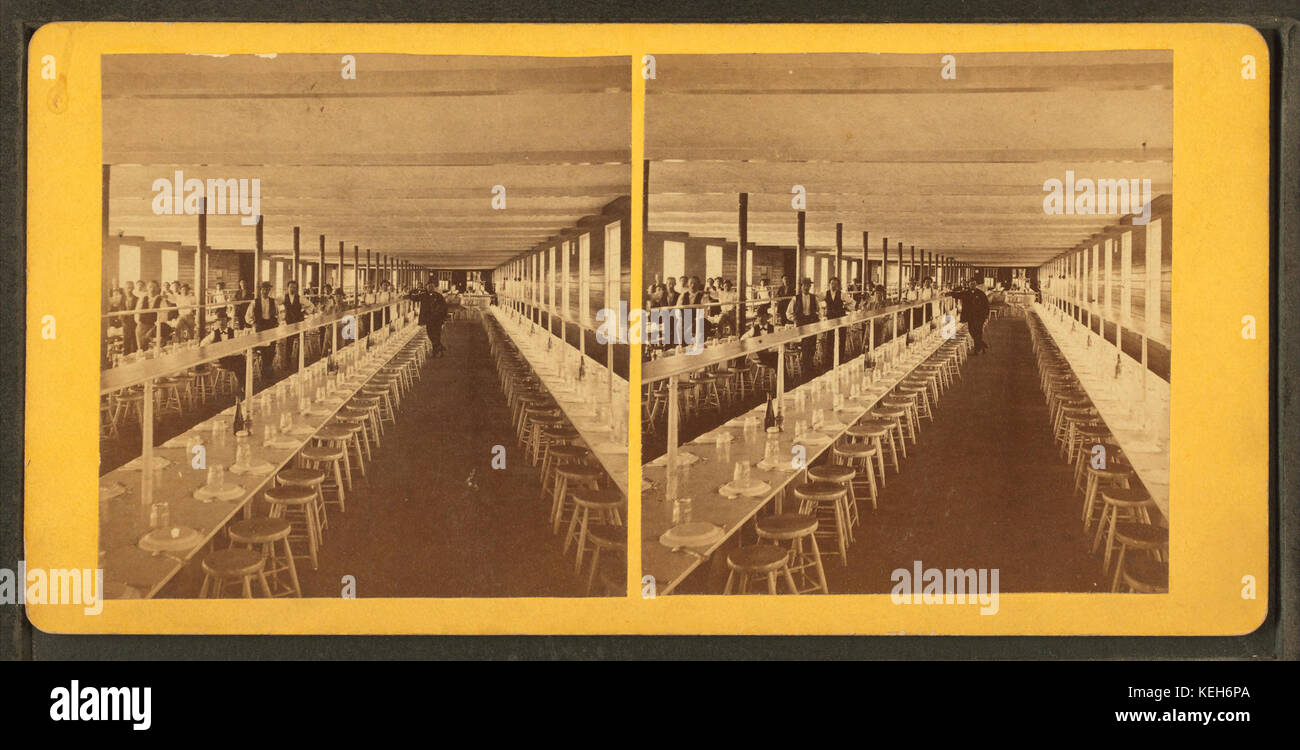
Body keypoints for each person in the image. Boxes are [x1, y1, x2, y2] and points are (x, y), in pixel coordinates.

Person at [201, 307, 247, 397]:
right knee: (239, 363)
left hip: (232, 357)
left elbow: (241, 343)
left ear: (227, 321)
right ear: (217, 322)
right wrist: (213, 351)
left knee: (242, 360)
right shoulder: (214, 333)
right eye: (219, 320)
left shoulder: (233, 332)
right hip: (222, 359)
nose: (221, 322)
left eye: (223, 320)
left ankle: (242, 385)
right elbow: (203, 344)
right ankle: (242, 385)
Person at [246, 281, 279, 386]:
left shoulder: (274, 302)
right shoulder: (255, 302)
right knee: (264, 351)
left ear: (269, 290)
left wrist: (276, 321)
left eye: (267, 289)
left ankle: (268, 370)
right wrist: (253, 323)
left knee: (272, 349)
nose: (265, 291)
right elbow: (247, 316)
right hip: (260, 326)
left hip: (271, 326)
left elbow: (279, 314)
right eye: (263, 289)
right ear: (260, 290)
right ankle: (266, 374)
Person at [407, 280, 448, 356]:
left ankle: (436, 351)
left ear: (434, 287)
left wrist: (444, 318)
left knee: (437, 335)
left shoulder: (439, 296)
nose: (430, 288)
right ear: (426, 287)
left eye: (432, 286)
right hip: (428, 319)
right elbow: (413, 297)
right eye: (429, 286)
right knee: (430, 334)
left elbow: (444, 307)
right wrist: (416, 289)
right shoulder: (423, 295)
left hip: (437, 319)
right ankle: (439, 348)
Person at [789, 277, 820, 378]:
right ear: (801, 286)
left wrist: (817, 316)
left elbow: (819, 310)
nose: (807, 287)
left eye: (808, 285)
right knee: (805, 345)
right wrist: (795, 319)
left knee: (812, 346)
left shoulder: (813, 297)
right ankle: (807, 368)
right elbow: (788, 312)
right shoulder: (795, 298)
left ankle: (809, 366)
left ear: (810, 286)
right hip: (801, 324)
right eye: (805, 285)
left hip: (812, 323)